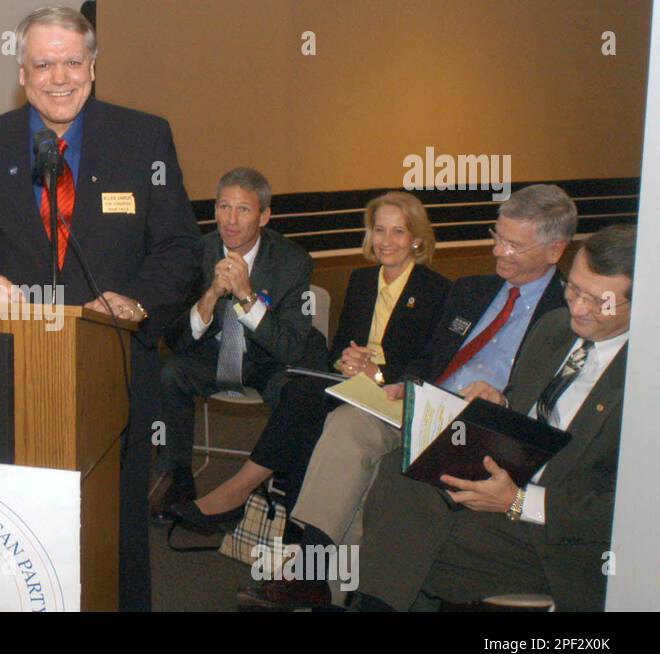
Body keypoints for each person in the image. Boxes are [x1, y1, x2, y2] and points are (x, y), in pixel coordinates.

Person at [0, 6, 201, 611]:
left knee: (115, 528)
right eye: (44, 64)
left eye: (73, 62)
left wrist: (135, 300)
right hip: (10, 371)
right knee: (10, 526)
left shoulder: (145, 137)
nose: (59, 77)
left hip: (116, 368)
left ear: (94, 67)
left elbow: (180, 247)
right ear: (22, 73)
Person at [255, 184, 575, 610]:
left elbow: (550, 402)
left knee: (384, 474)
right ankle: (313, 576)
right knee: (347, 424)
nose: (499, 252)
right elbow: (429, 357)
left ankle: (342, 594)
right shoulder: (472, 289)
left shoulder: (568, 313)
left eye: (514, 245)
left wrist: (503, 400)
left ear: (555, 250)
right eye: (497, 236)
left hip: (480, 426)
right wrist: (400, 382)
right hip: (424, 404)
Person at [350, 225, 634, 612]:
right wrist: (500, 404)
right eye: (574, 289)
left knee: (413, 541)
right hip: (504, 475)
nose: (578, 308)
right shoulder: (554, 330)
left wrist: (519, 501)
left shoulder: (640, 383)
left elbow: (627, 509)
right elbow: (528, 410)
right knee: (401, 470)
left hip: (556, 534)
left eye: (599, 301)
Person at [169, 192, 450, 535]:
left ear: (417, 240)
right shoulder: (362, 281)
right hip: (348, 383)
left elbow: (428, 361)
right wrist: (347, 360)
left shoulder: (435, 289)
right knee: (305, 404)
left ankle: (239, 491)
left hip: (391, 394)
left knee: (304, 400)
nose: (385, 242)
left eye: (398, 232)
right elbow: (338, 346)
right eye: (379, 230)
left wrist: (375, 372)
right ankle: (295, 529)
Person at [153, 167, 329, 521]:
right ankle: (178, 476)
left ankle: (278, 482)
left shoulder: (292, 262)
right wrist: (209, 297)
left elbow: (291, 348)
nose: (230, 221)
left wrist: (247, 297)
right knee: (170, 373)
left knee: (297, 394)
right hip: (211, 355)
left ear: (264, 216)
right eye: (223, 207)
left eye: (243, 210)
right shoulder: (195, 254)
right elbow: (174, 340)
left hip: (267, 360)